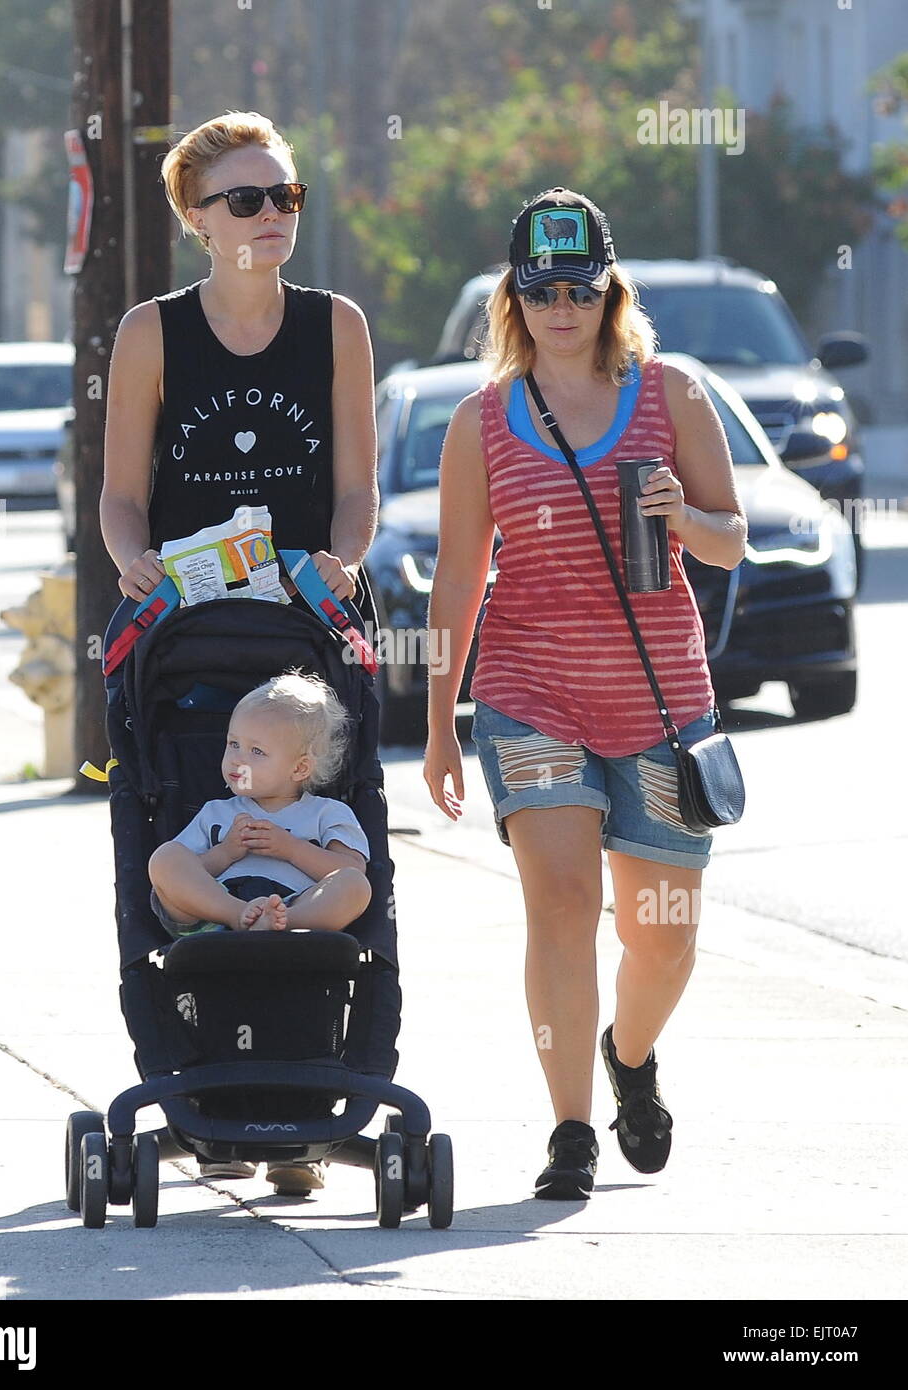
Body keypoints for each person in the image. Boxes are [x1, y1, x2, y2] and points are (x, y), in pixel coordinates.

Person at [423, 188, 747, 1201]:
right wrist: (440, 722)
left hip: (660, 702)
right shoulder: (481, 421)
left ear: (613, 291)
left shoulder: (676, 395)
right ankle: (569, 1129)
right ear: (513, 301)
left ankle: (631, 1054)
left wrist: (682, 514)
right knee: (560, 903)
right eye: (540, 288)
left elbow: (734, 539)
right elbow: (457, 573)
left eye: (581, 286)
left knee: (663, 935)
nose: (562, 305)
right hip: (530, 692)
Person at [100, 110, 378, 620]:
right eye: (246, 201)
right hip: (187, 625)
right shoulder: (149, 331)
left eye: (285, 196)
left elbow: (359, 488)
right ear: (197, 217)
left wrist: (346, 562)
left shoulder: (339, 324)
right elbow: (121, 497)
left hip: (311, 618)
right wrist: (134, 563)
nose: (271, 214)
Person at [149, 669, 372, 1194]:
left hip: (296, 922)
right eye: (232, 745)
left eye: (255, 751)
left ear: (300, 767)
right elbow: (187, 866)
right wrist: (226, 852)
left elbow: (349, 872)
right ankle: (235, 914)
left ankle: (278, 923)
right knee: (165, 862)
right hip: (215, 922)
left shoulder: (327, 813)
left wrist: (291, 849)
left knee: (353, 888)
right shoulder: (216, 812)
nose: (236, 761)